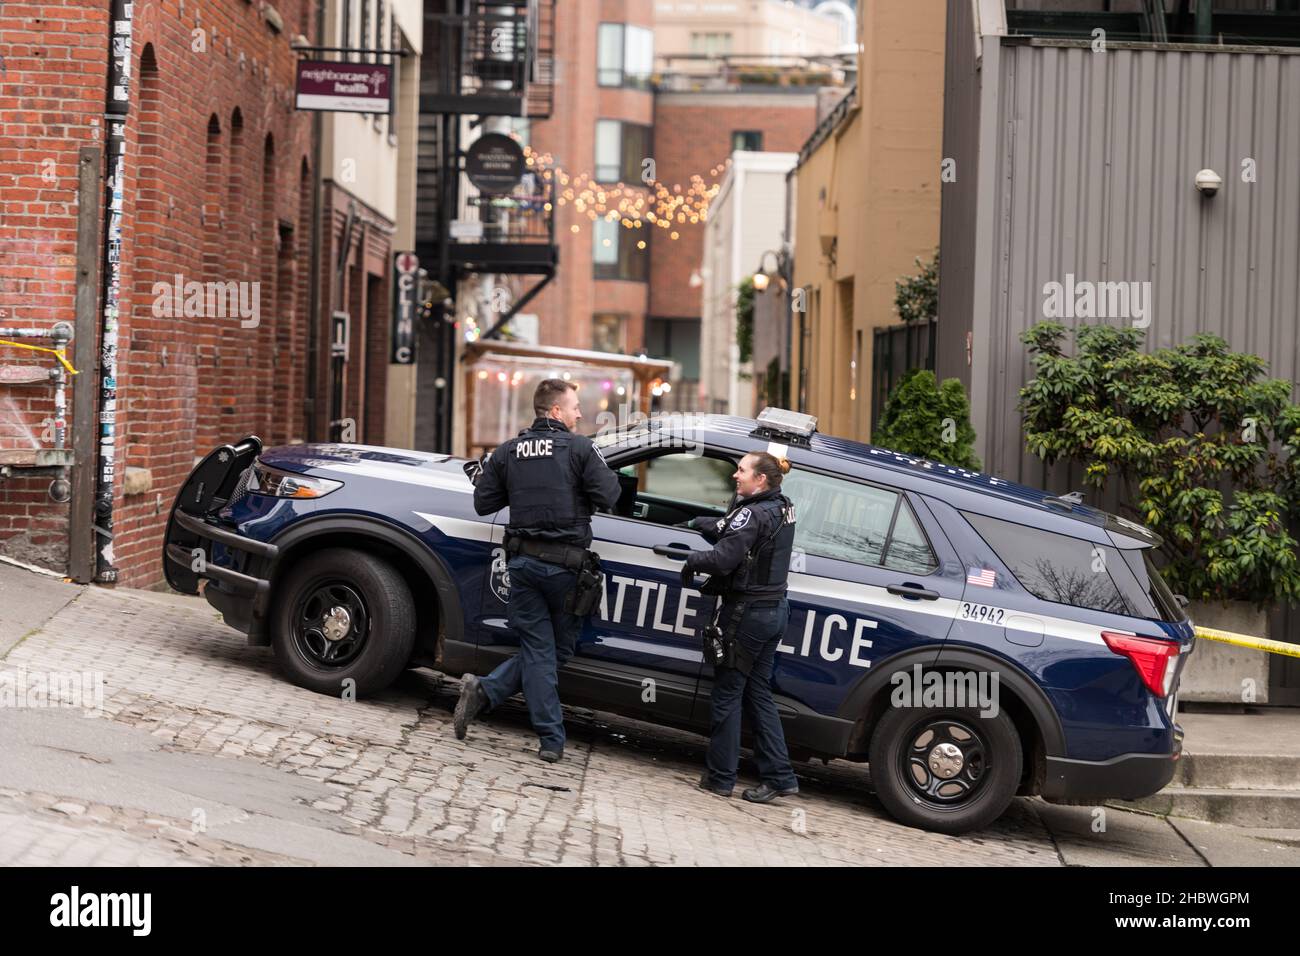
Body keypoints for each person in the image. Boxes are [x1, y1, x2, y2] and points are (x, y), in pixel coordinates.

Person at [453, 378, 620, 762]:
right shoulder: (580, 448)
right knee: (546, 653)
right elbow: (610, 496)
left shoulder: (509, 451)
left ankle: (485, 692)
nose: (581, 413)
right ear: (557, 411)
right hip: (565, 571)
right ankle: (551, 738)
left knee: (549, 650)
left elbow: (484, 503)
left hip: (524, 567)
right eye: (576, 406)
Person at [684, 451, 800, 802]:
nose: (736, 475)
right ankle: (780, 776)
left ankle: (720, 778)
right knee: (758, 693)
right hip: (774, 611)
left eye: (742, 470)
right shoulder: (783, 505)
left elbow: (723, 559)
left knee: (727, 695)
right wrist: (695, 522)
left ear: (760, 479)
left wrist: (692, 560)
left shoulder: (752, 512)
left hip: (748, 615)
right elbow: (731, 531)